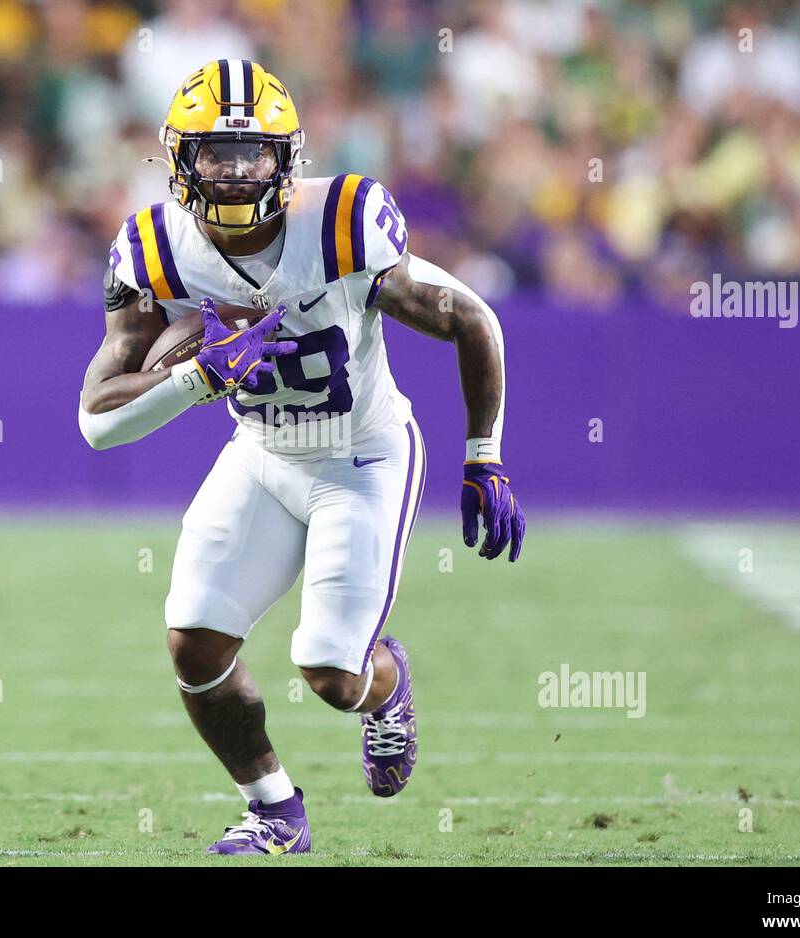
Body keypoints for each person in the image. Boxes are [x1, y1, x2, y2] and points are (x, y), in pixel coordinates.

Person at [78, 60, 525, 855]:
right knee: (195, 642)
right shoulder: (154, 248)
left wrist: (483, 456)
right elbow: (99, 420)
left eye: (254, 153)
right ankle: (274, 809)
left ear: (288, 157)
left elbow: (470, 317)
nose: (239, 170)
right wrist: (198, 376)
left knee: (330, 672)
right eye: (219, 152)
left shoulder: (342, 222)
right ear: (181, 158)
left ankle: (384, 684)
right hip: (260, 451)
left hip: (362, 455)